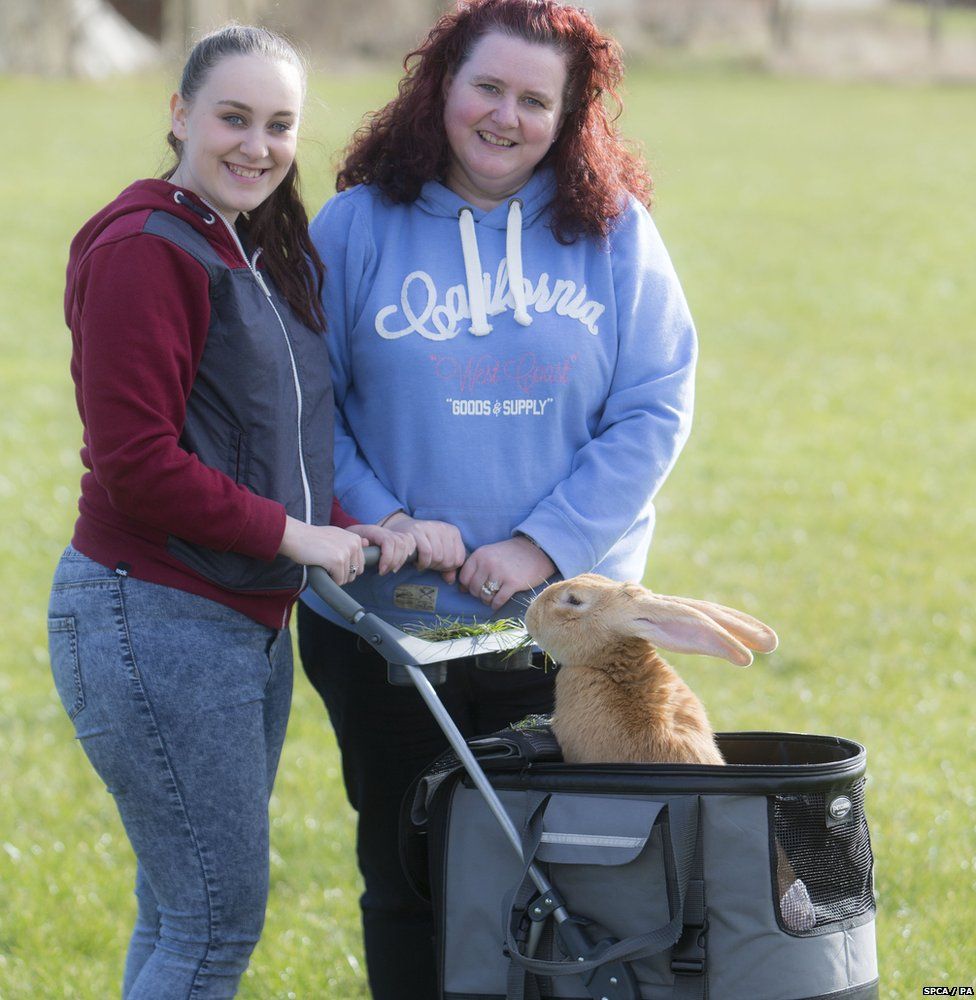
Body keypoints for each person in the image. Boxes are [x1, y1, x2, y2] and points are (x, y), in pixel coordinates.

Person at [298, 0, 698, 995]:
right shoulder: (355, 226)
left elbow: (654, 406)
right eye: (486, 87)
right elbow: (308, 405)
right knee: (407, 876)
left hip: (561, 629)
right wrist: (388, 522)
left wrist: (541, 545)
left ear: (567, 117)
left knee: (564, 880)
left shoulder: (615, 233)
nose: (504, 117)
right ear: (441, 86)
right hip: (383, 622)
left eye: (534, 100)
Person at [47, 25, 413, 999]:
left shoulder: (246, 244)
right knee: (210, 929)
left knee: (180, 917)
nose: (257, 146)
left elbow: (262, 435)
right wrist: (299, 538)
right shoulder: (144, 249)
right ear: (179, 115)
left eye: (279, 125)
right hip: (155, 616)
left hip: (236, 620)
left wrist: (342, 522)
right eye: (233, 118)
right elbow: (137, 464)